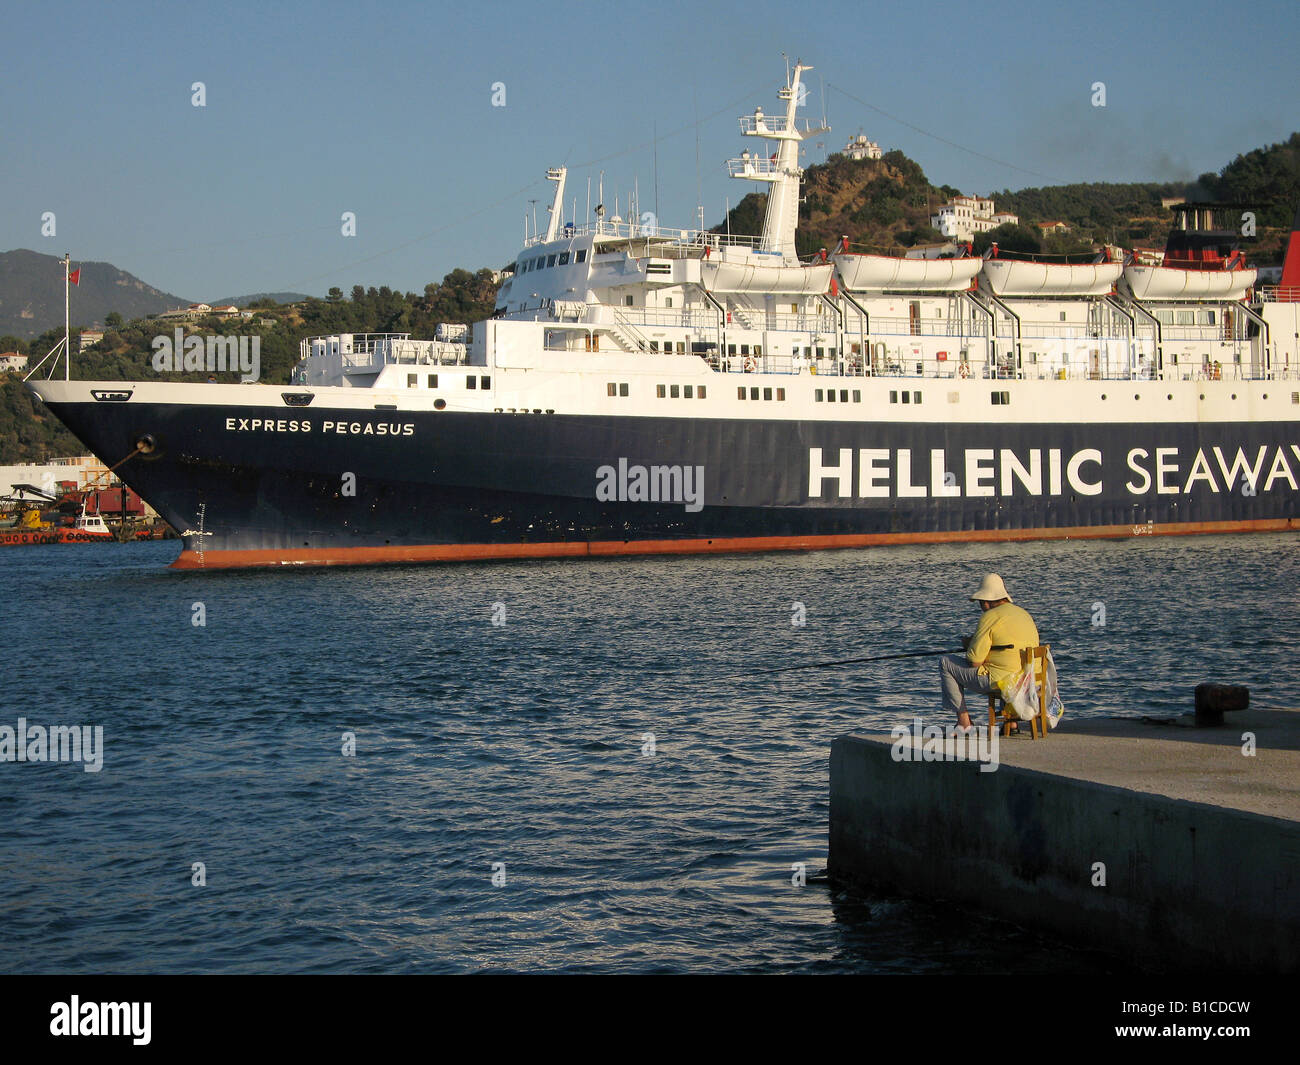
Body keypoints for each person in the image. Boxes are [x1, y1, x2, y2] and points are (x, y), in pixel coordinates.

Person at [941, 573, 1040, 731]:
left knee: (945, 663)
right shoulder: (1024, 614)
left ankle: (964, 722)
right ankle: (1011, 723)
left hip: (1004, 681)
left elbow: (974, 661)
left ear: (986, 601)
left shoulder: (989, 616)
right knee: (1006, 665)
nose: (980, 606)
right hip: (1030, 680)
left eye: (980, 602)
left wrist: (969, 645)